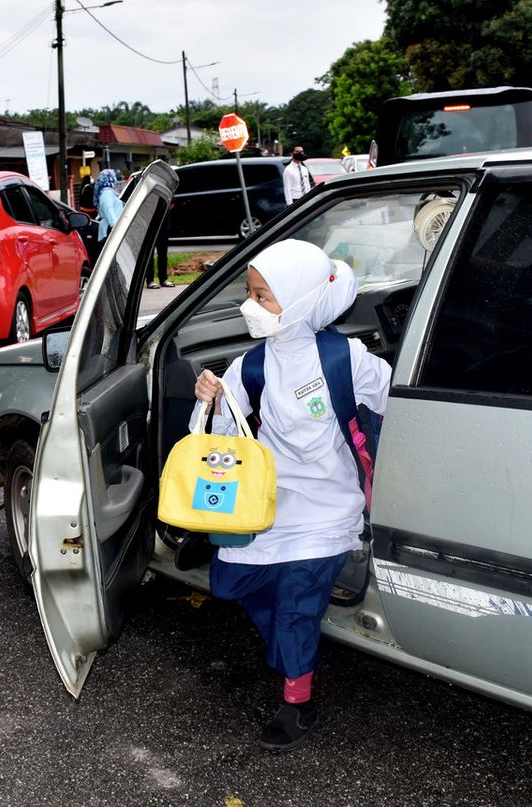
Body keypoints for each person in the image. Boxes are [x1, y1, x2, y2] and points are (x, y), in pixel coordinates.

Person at [192, 239, 390, 752]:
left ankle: (297, 700)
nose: (250, 306)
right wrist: (210, 405)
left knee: (296, 605)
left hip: (329, 507)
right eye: (250, 293)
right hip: (267, 504)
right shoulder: (248, 367)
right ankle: (289, 649)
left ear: (301, 298)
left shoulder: (348, 358)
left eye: (264, 295)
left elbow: (401, 405)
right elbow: (218, 445)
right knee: (232, 582)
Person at [147, 212, 174, 289]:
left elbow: (172, 203)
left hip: (163, 222)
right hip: (150, 222)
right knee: (149, 255)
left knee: (163, 254)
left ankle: (163, 279)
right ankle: (150, 280)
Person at [95, 169, 123, 242]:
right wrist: (116, 227)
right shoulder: (106, 194)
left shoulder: (107, 193)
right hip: (110, 230)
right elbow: (109, 210)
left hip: (109, 228)